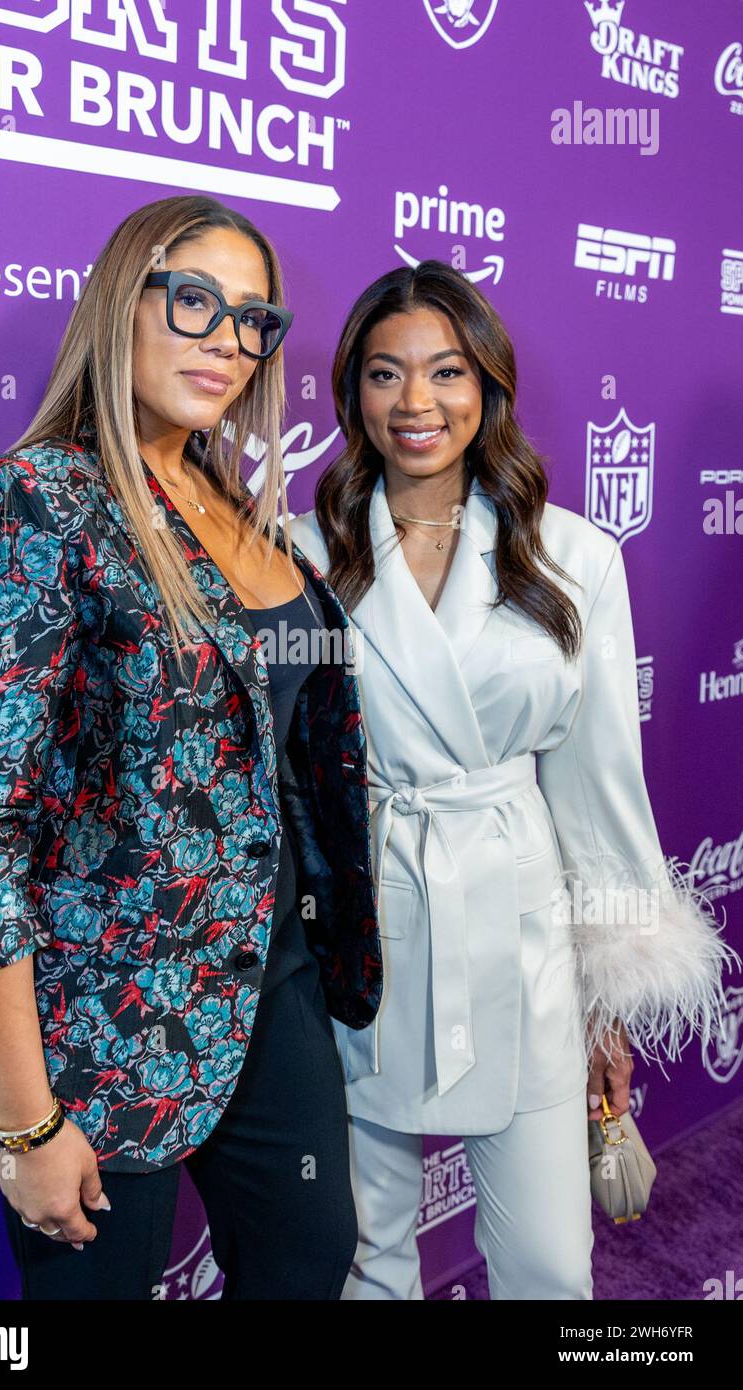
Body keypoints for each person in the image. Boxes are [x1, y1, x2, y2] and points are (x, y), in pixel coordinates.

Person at [0, 194, 381, 1301]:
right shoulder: (39, 502)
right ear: (125, 299)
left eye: (253, 318)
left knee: (308, 1256)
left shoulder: (231, 501)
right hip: (100, 1023)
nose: (228, 338)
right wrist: (29, 1124)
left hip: (275, 982)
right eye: (196, 300)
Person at [289, 260, 740, 1300]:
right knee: (367, 1257)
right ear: (350, 391)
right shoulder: (301, 553)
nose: (415, 403)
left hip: (521, 931)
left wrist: (610, 993)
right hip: (361, 932)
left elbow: (597, 790)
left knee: (545, 1261)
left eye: (445, 372)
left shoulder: (571, 556)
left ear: (488, 385)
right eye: (384, 373)